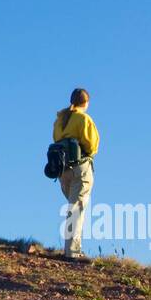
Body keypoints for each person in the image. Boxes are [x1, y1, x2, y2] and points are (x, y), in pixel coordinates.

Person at [53, 88, 99, 260]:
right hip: (80, 168)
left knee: (73, 209)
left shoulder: (60, 120)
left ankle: (70, 249)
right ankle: (72, 252)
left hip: (62, 170)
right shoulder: (83, 119)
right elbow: (92, 146)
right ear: (86, 102)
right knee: (77, 209)